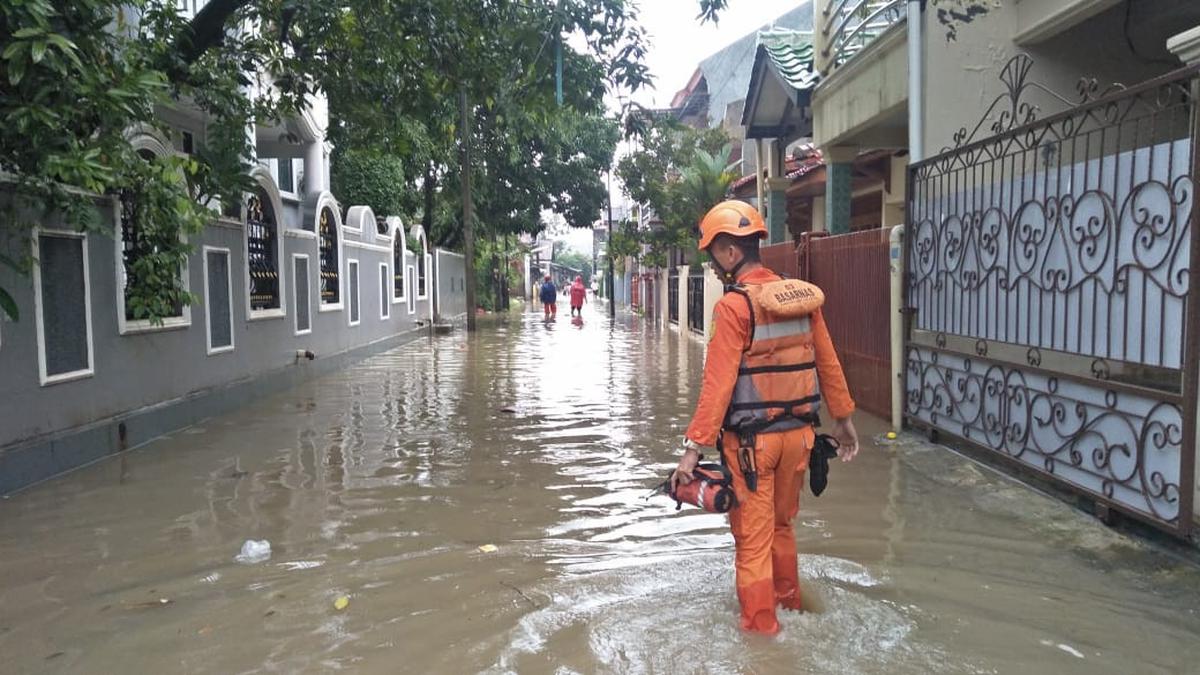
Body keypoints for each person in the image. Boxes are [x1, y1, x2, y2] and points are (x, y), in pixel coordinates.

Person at [670, 199, 860, 636]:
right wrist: (844, 419)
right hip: (801, 439)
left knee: (752, 542)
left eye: (713, 255)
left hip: (754, 449)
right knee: (782, 528)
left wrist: (692, 451)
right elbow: (827, 362)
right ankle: (788, 605)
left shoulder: (734, 308)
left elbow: (717, 387)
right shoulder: (799, 298)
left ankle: (761, 637)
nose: (715, 267)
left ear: (730, 252)